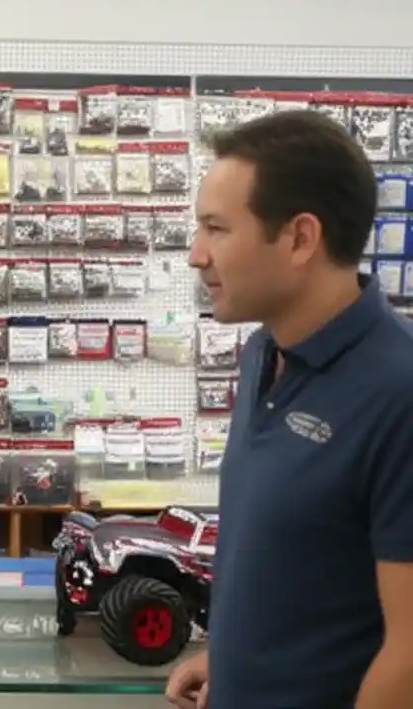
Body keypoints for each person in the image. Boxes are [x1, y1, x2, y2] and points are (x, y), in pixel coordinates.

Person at [166, 110, 413, 708]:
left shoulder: (398, 392)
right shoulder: (262, 353)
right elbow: (299, 563)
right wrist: (233, 658)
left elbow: (409, 653)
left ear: (300, 238)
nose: (196, 255)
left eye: (217, 229)